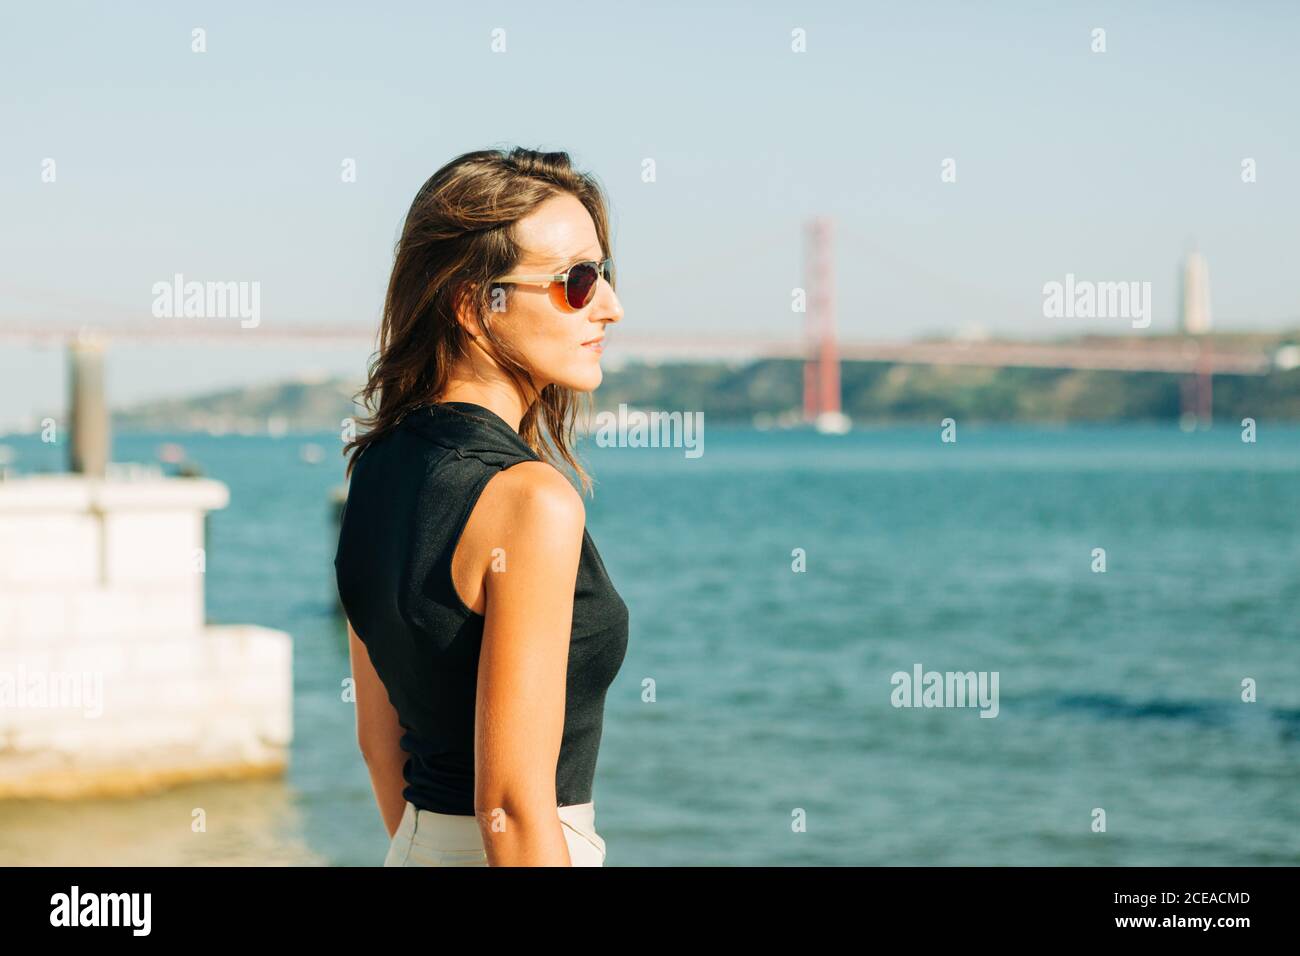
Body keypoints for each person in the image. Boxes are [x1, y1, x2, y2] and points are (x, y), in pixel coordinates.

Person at [334, 147, 628, 866]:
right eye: (577, 283)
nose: (611, 307)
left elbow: (380, 747)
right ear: (475, 305)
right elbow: (509, 807)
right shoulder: (532, 501)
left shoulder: (374, 467)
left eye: (605, 275)